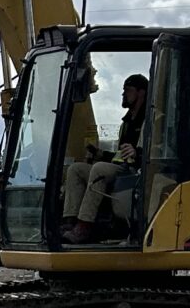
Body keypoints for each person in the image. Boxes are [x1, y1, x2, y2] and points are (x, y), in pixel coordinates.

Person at [61, 72, 149, 236]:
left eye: (128, 90)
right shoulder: (126, 123)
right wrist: (100, 153)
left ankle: (84, 225)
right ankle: (69, 221)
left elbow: (159, 153)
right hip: (121, 169)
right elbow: (119, 156)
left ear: (141, 92)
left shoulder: (151, 120)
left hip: (136, 173)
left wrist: (138, 154)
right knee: (76, 169)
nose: (123, 94)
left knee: (99, 169)